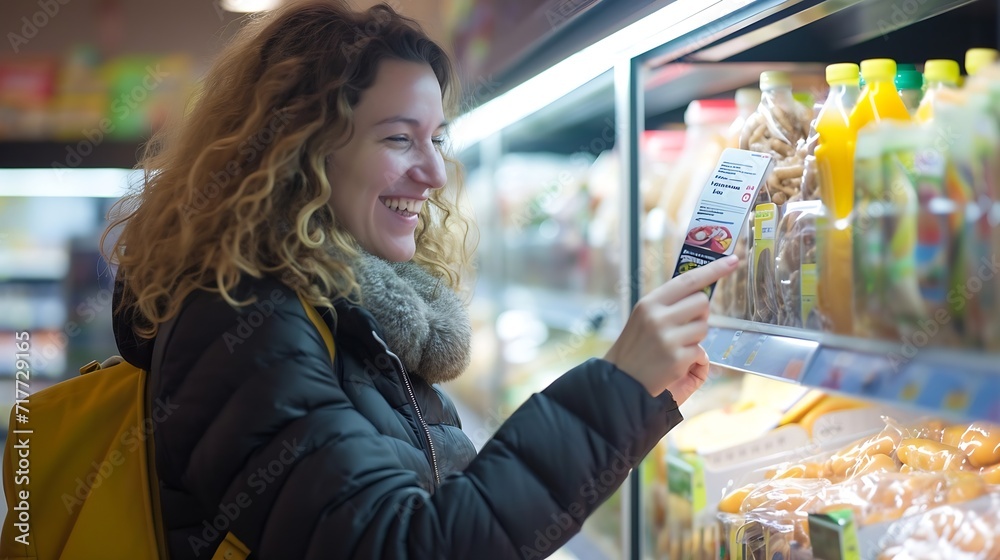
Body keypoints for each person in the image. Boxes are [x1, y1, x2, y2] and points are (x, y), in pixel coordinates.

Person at [103, 2, 738, 559]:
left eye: (436, 138)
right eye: (400, 139)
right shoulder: (245, 322)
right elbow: (403, 545)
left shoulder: (330, 310)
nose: (435, 173)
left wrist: (637, 401)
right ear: (300, 151)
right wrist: (615, 389)